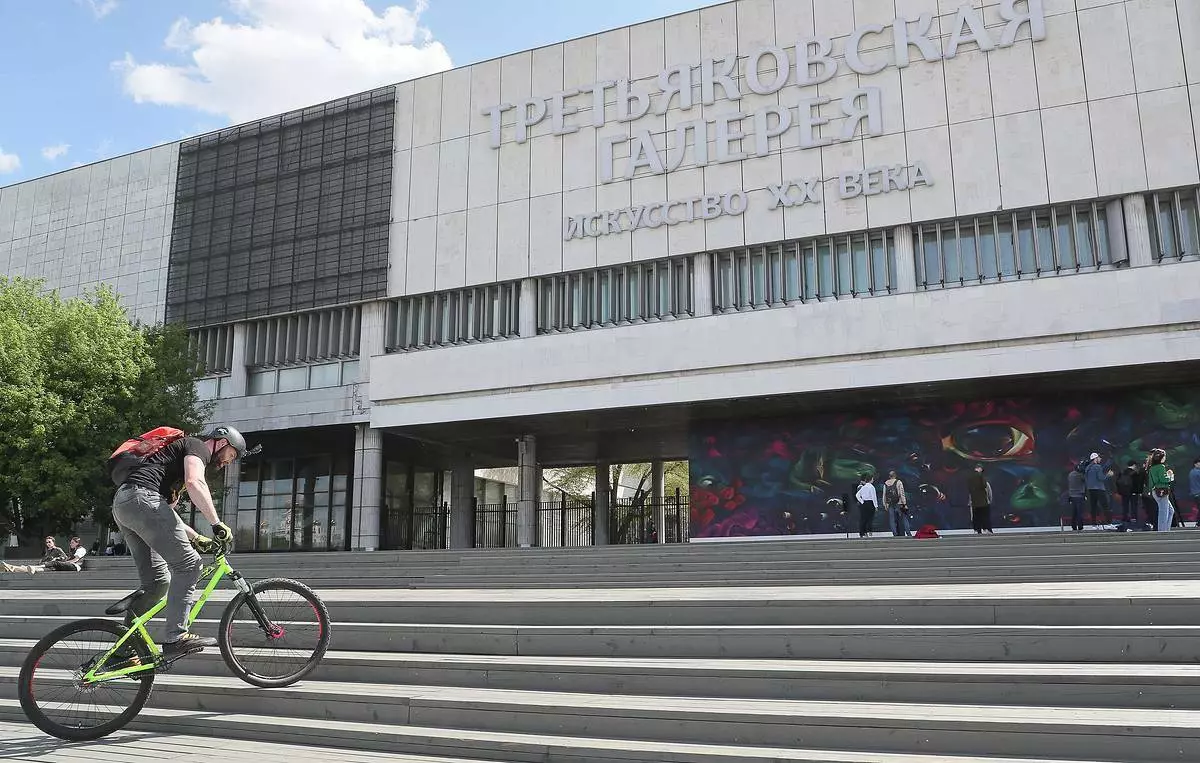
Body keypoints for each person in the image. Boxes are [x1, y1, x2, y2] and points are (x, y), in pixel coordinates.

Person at [111, 425, 245, 659]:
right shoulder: (198, 446)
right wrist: (216, 523)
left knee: (158, 583)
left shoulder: (172, 478)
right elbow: (196, 482)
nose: (228, 462)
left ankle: (122, 652)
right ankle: (176, 637)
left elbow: (166, 516)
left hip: (125, 505)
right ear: (222, 443)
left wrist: (196, 537)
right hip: (142, 500)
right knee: (189, 565)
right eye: (231, 455)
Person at [3, 536, 87, 574]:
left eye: (72, 543)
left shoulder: (80, 549)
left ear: (77, 543)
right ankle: (12, 568)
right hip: (49, 566)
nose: (70, 544)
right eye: (46, 542)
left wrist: (58, 559)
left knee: (53, 563)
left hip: (71, 566)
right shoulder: (47, 551)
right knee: (30, 568)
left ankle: (13, 568)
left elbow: (71, 559)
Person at [1146, 449, 1174, 533]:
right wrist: (1170, 476)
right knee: (1164, 512)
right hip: (1162, 491)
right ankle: (1163, 532)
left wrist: (1151, 490)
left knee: (1170, 511)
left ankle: (1165, 530)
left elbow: (1151, 481)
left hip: (1156, 491)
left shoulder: (1152, 467)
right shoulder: (1161, 467)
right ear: (1161, 457)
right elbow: (1163, 479)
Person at [1084, 453, 1109, 527]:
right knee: (1105, 506)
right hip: (1099, 489)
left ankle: (1094, 524)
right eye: (1099, 458)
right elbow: (1101, 478)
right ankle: (1108, 523)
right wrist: (1108, 475)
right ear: (1095, 459)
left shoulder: (1087, 468)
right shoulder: (1098, 467)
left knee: (1093, 507)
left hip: (1091, 490)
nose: (1100, 459)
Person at [967, 464, 993, 534]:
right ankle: (983, 529)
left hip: (977, 502)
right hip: (980, 502)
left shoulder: (972, 478)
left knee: (978, 517)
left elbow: (970, 491)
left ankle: (980, 530)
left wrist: (970, 502)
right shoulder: (978, 478)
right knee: (982, 516)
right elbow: (987, 490)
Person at [883, 470, 910, 537]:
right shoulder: (898, 482)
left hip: (890, 504)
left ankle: (895, 533)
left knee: (892, 519)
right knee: (904, 518)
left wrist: (885, 504)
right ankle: (908, 533)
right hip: (899, 503)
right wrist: (904, 503)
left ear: (889, 476)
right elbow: (901, 493)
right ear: (895, 475)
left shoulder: (885, 483)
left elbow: (884, 495)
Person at [1067, 464, 1086, 532]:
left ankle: (1073, 526)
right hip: (1079, 495)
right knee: (1079, 512)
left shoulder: (1070, 474)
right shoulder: (1080, 475)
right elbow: (1085, 480)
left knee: (1074, 512)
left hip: (1072, 495)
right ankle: (1080, 526)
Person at [1190, 457, 1200, 528]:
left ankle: (1198, 523)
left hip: (1195, 493)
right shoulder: (1197, 472)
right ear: (1195, 464)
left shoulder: (1192, 471)